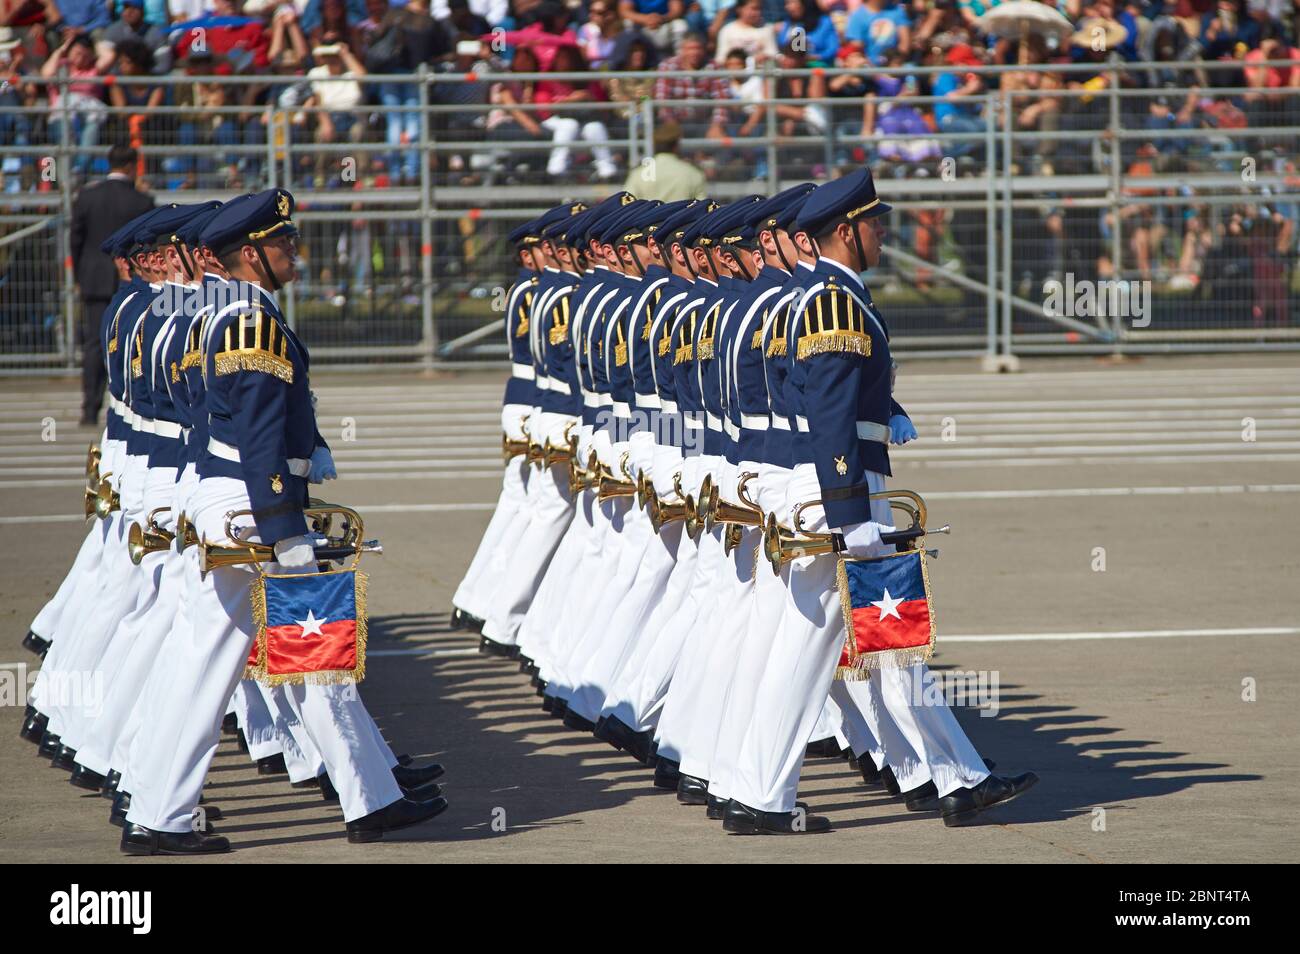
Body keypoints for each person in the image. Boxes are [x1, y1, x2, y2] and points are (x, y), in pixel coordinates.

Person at [69, 143, 154, 426]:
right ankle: (127, 405)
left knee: (95, 343)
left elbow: (76, 240)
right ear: (132, 166)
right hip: (129, 278)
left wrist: (80, 277)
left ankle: (89, 409)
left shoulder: (87, 196)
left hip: (94, 278)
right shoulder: (141, 201)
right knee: (130, 343)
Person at [623, 120, 707, 200]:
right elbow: (702, 209)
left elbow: (626, 205)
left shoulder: (639, 173)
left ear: (654, 145)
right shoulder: (692, 173)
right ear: (676, 145)